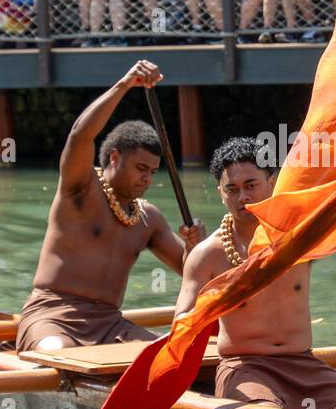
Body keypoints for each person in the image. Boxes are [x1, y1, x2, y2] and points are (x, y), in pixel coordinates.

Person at [15, 60, 204, 352]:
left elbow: (192, 273)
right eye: (141, 168)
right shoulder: (81, 187)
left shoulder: (147, 218)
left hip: (111, 324)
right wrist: (125, 84)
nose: (147, 178)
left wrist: (196, 247)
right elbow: (80, 135)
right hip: (53, 316)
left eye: (153, 171)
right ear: (114, 158)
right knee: (59, 354)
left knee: (169, 362)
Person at [175, 137, 336, 409]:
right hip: (245, 368)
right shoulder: (207, 254)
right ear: (221, 193)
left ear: (272, 182)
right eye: (232, 189)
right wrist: (217, 300)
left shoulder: (299, 238)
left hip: (303, 363)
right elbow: (180, 323)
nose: (243, 197)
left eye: (251, 186)